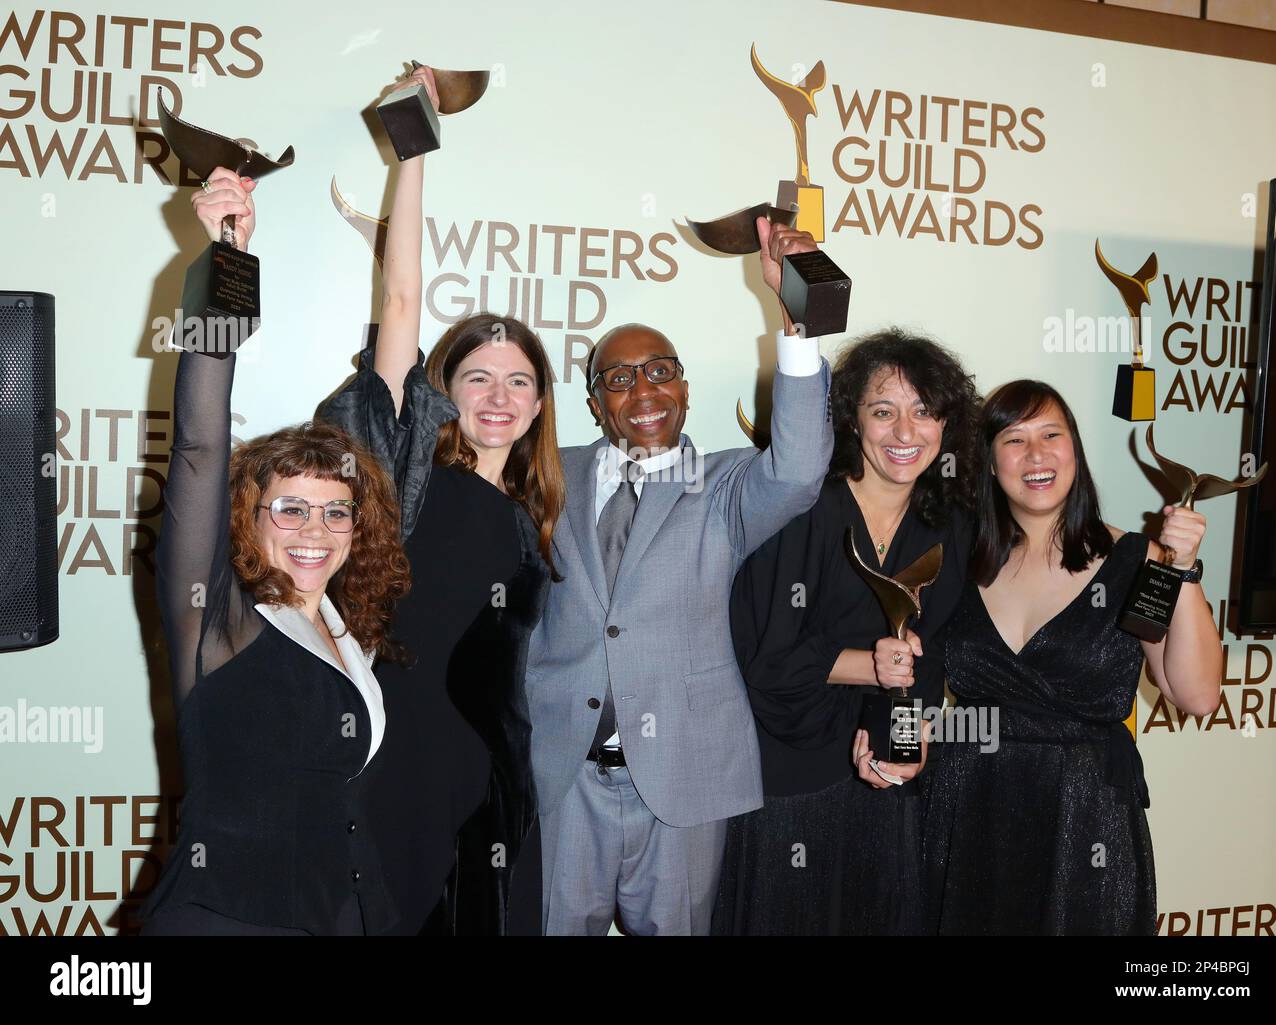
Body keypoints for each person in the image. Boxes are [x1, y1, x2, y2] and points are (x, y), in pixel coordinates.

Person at [526, 217, 834, 935]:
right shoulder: (548, 472)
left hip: (685, 779)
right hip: (565, 778)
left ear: (686, 387)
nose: (644, 391)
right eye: (620, 378)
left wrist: (799, 324)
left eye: (660, 370)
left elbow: (798, 469)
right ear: (596, 402)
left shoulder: (724, 486)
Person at [317, 67, 562, 935]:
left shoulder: (538, 518)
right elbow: (401, 301)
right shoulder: (407, 476)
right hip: (398, 772)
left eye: (520, 381)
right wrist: (412, 142)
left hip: (496, 781)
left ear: (539, 404)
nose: (499, 397)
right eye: (477, 378)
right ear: (441, 392)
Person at [142, 167, 411, 935]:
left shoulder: (343, 626)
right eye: (289, 507)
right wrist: (227, 264)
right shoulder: (217, 619)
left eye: (336, 512)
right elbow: (197, 444)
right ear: (249, 517)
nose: (313, 530)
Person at [920, 379, 1222, 935]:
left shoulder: (1139, 560)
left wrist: (1183, 570)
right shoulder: (955, 561)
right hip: (967, 812)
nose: (1035, 454)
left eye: (1051, 435)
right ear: (989, 462)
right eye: (1014, 439)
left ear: (1075, 452)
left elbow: (1196, 695)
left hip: (1084, 824)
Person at [713, 330, 980, 935]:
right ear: (850, 419)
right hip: (785, 781)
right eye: (883, 411)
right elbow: (762, 661)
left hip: (882, 786)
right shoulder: (803, 508)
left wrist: (906, 751)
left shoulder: (949, 522)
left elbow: (926, 662)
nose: (905, 433)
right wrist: (869, 664)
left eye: (923, 412)